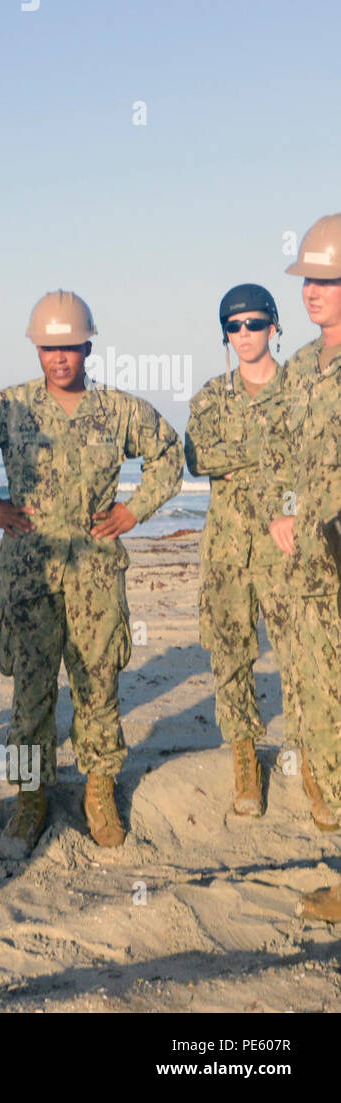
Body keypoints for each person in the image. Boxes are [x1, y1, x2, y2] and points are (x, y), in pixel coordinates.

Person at [0, 291, 182, 859]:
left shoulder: (116, 410)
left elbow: (169, 450)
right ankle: (30, 798)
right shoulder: (12, 408)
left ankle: (99, 791)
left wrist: (134, 510)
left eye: (69, 346)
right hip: (29, 571)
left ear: (87, 345)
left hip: (95, 571)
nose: (59, 358)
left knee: (98, 687)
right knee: (30, 691)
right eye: (49, 347)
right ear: (36, 348)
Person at [185, 284, 304, 819]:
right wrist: (272, 457)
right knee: (230, 656)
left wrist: (242, 463)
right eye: (234, 326)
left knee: (303, 656)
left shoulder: (303, 389)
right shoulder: (211, 396)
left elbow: (323, 456)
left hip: (289, 550)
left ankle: (312, 762)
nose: (245, 334)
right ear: (225, 335)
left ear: (275, 327)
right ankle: (243, 761)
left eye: (255, 323)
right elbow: (197, 456)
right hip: (228, 552)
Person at [264, 214, 341, 922]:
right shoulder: (295, 372)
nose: (312, 292)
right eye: (308, 280)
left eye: (327, 280)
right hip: (307, 581)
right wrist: (285, 510)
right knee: (320, 716)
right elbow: (283, 459)